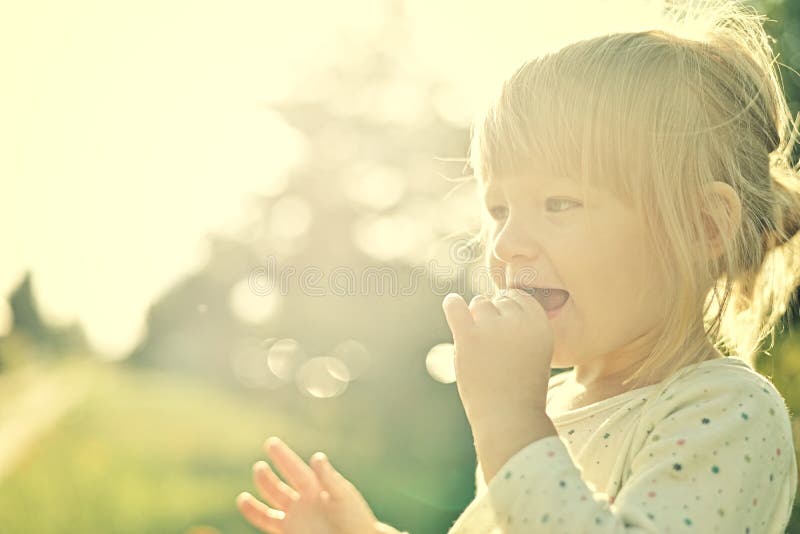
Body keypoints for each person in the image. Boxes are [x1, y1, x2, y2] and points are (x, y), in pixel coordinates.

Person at [235, 0, 800, 531]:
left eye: (559, 203)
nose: (506, 244)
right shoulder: (545, 408)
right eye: (498, 209)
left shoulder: (726, 413)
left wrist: (510, 421)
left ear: (703, 226)